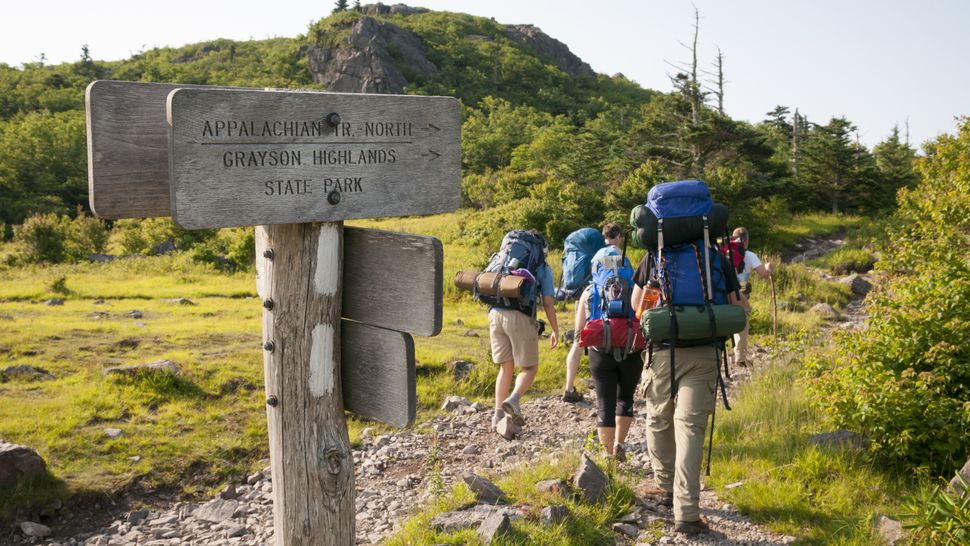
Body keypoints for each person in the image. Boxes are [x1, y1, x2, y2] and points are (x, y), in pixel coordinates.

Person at [630, 248, 743, 536]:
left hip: (662, 352)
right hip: (704, 352)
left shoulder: (654, 256)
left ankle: (666, 486)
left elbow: (636, 305)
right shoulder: (714, 256)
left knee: (659, 418)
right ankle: (688, 513)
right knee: (690, 428)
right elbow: (736, 305)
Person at [575, 248, 644, 461]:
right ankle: (619, 444)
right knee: (626, 398)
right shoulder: (636, 287)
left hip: (600, 352)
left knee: (605, 404)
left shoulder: (590, 291)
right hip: (632, 348)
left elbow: (579, 330)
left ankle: (608, 456)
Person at [490, 230, 560, 431]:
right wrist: (555, 330)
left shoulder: (504, 258)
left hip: (495, 313)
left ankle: (497, 416)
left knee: (505, 367)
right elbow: (548, 302)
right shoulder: (541, 266)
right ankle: (513, 400)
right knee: (529, 368)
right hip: (519, 315)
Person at [562, 223, 624, 403]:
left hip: (583, 296)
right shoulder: (614, 254)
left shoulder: (595, 253)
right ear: (618, 236)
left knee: (578, 341)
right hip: (601, 300)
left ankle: (569, 387)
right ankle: (609, 387)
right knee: (607, 339)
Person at [730, 227, 771, 368]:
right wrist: (768, 267)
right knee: (742, 321)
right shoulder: (749, 255)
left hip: (721, 291)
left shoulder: (723, 252)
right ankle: (740, 358)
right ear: (746, 241)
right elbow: (764, 274)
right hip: (739, 294)